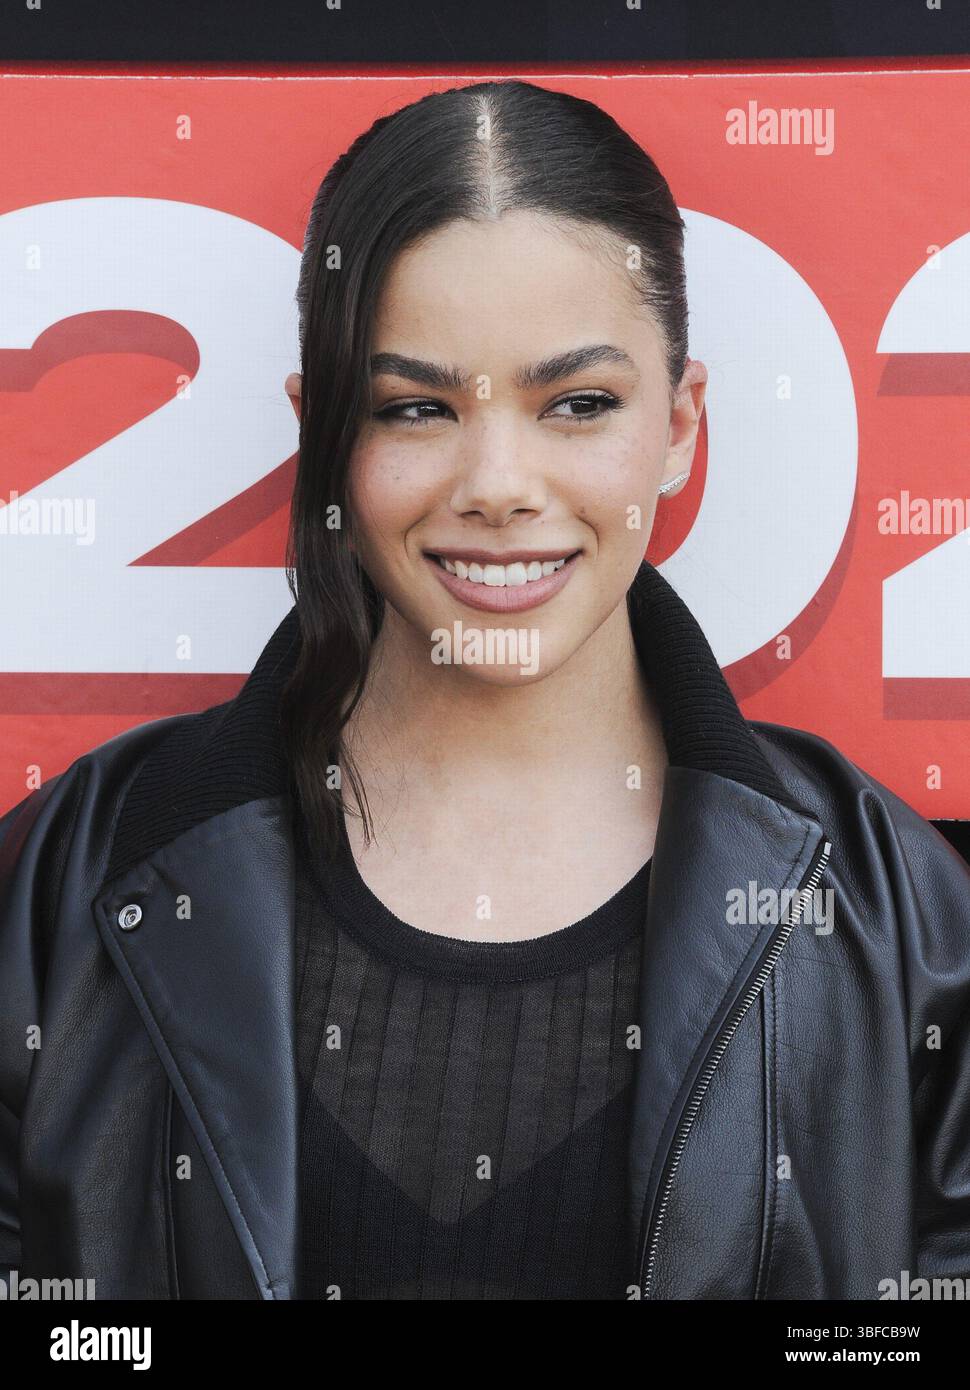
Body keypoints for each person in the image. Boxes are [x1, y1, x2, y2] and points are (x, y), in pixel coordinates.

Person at [2, 78, 969, 1302]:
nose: (499, 482)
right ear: (325, 436)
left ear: (679, 423)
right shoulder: (73, 882)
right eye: (417, 407)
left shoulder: (897, 916)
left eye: (577, 403)